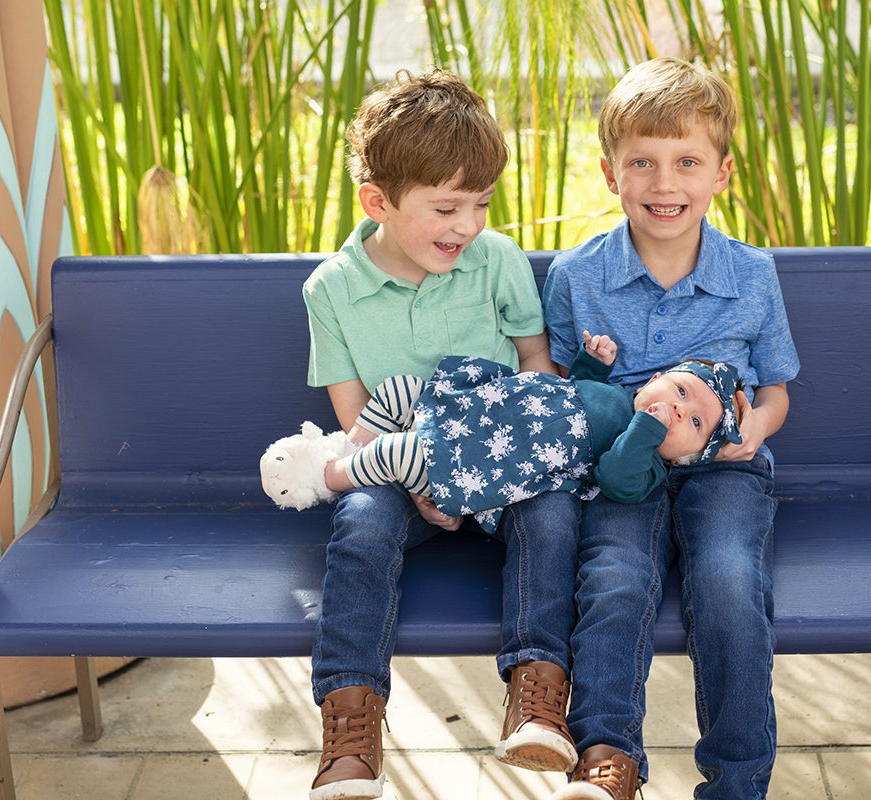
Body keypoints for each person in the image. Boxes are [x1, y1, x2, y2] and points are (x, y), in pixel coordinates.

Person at [301, 69, 581, 800]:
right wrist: (422, 484)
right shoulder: (331, 290)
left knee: (551, 513)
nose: (467, 226)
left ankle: (537, 693)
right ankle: (351, 724)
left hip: (498, 455)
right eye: (448, 207)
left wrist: (522, 452)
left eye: (481, 204)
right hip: (399, 464)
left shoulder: (497, 261)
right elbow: (356, 421)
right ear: (378, 203)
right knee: (360, 523)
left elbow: (534, 365)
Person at [542, 57, 801, 799]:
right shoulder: (577, 275)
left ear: (721, 174)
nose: (665, 184)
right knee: (615, 583)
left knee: (727, 580)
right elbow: (564, 385)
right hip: (622, 468)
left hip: (725, 467)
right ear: (609, 173)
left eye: (687, 161)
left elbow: (777, 391)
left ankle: (738, 780)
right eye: (643, 164)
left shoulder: (751, 274)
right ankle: (607, 757)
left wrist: (755, 434)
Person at [312, 332, 742, 532]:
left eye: (696, 423)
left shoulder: (647, 466)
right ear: (654, 381)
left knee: (400, 452)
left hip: (486, 456)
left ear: (689, 456)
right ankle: (349, 449)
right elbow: (573, 392)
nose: (680, 410)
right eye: (681, 390)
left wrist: (648, 429)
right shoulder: (617, 394)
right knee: (399, 390)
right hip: (473, 414)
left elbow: (616, 475)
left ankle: (326, 476)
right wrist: (593, 364)